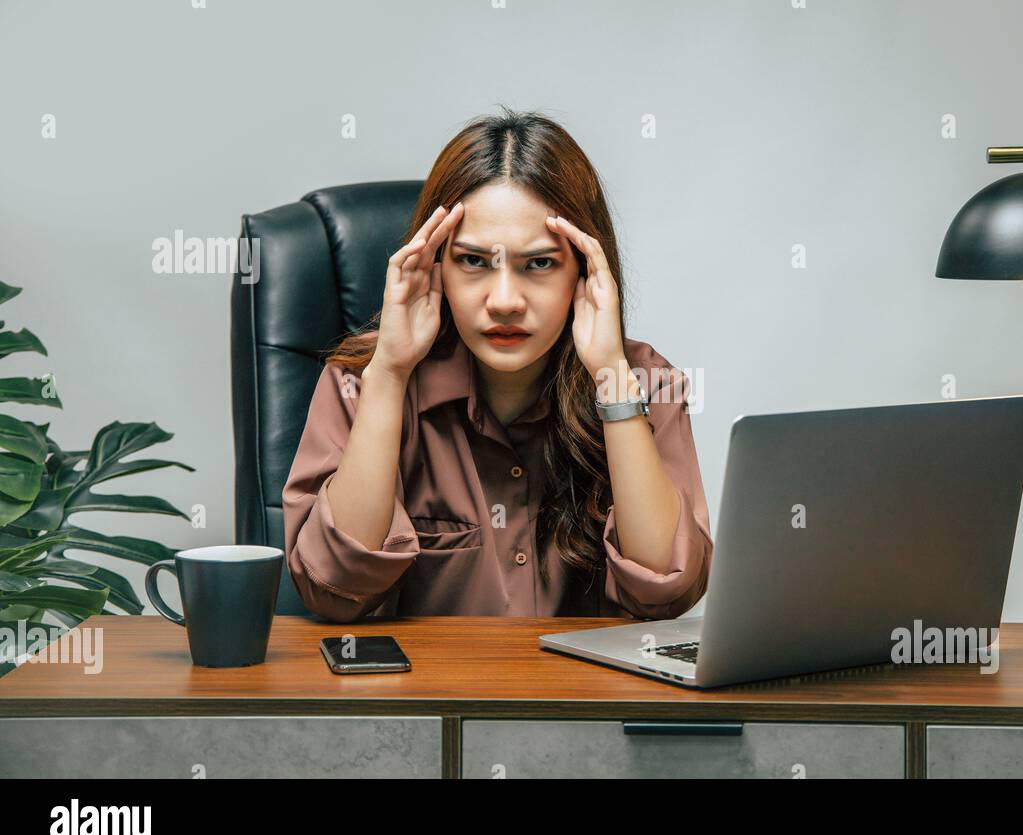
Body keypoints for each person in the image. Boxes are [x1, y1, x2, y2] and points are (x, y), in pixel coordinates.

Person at [281, 108, 712, 623]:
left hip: (586, 702)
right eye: (474, 261)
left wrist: (613, 381)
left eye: (540, 263)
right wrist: (391, 376)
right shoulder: (361, 381)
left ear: (586, 271)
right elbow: (336, 589)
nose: (505, 300)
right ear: (432, 264)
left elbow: (664, 590)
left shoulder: (642, 381)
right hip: (424, 701)